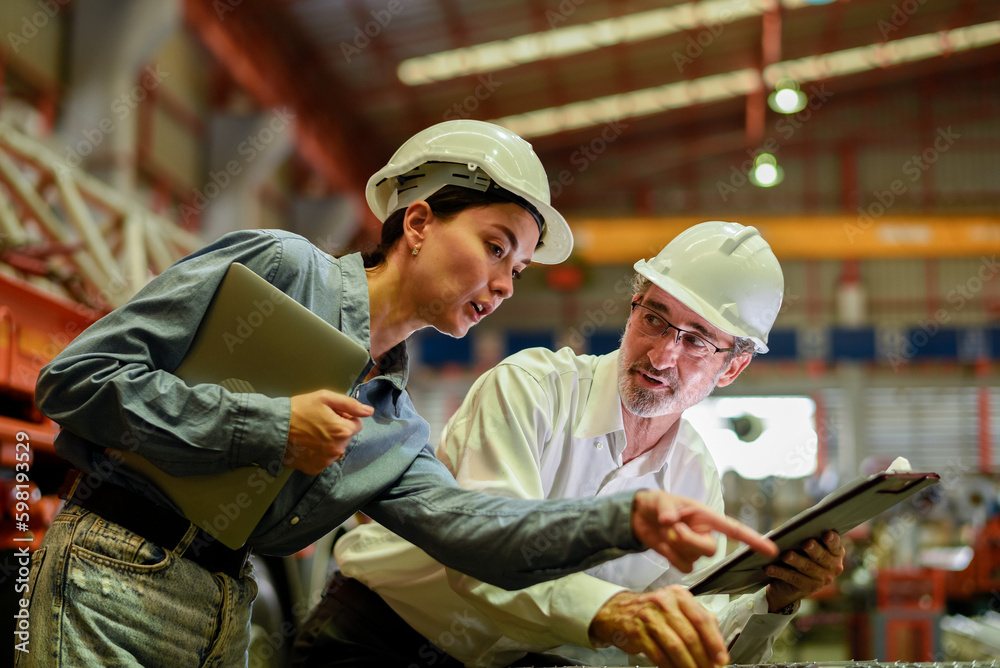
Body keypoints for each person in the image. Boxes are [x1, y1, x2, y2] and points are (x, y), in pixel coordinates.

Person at [21, 123, 776, 668]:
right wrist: (270, 425)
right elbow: (76, 379)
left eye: (517, 270)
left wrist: (626, 520)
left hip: (224, 605)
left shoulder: (390, 427)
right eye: (494, 247)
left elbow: (479, 532)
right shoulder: (282, 269)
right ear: (417, 222)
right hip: (109, 572)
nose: (504, 285)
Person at [291, 221, 847, 668]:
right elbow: (483, 558)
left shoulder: (693, 477)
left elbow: (693, 634)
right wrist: (612, 612)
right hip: (377, 639)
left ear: (733, 368)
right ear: (633, 309)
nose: (661, 356)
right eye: (655, 319)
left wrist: (774, 599)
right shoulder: (529, 391)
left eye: (697, 340)